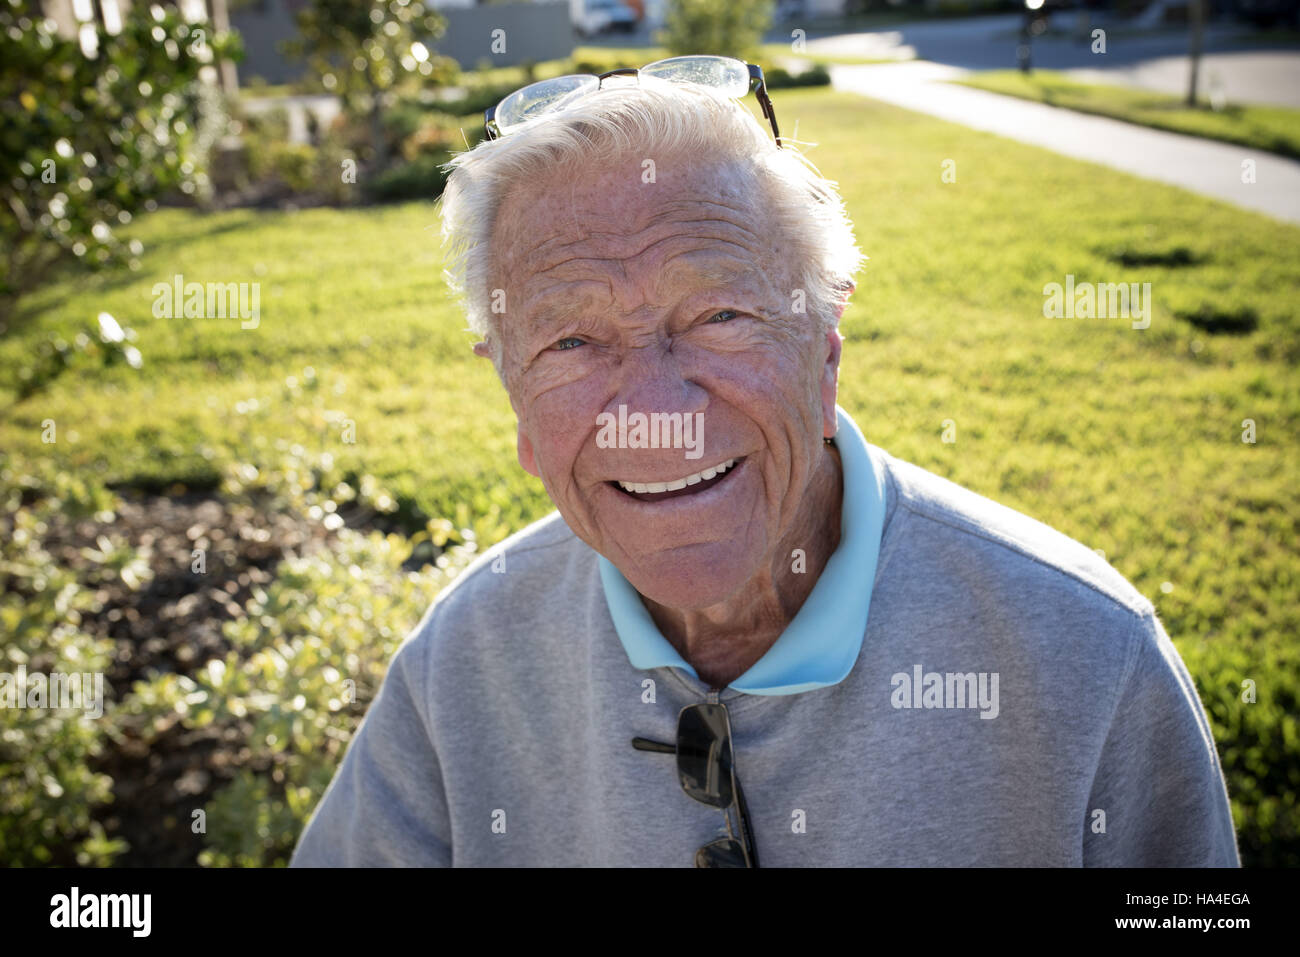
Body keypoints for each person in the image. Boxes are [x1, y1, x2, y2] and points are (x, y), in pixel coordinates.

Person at [290, 60, 1239, 867]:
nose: (654, 416)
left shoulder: (1086, 656)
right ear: (514, 403)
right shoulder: (466, 660)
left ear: (826, 350)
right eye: (571, 343)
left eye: (718, 317)